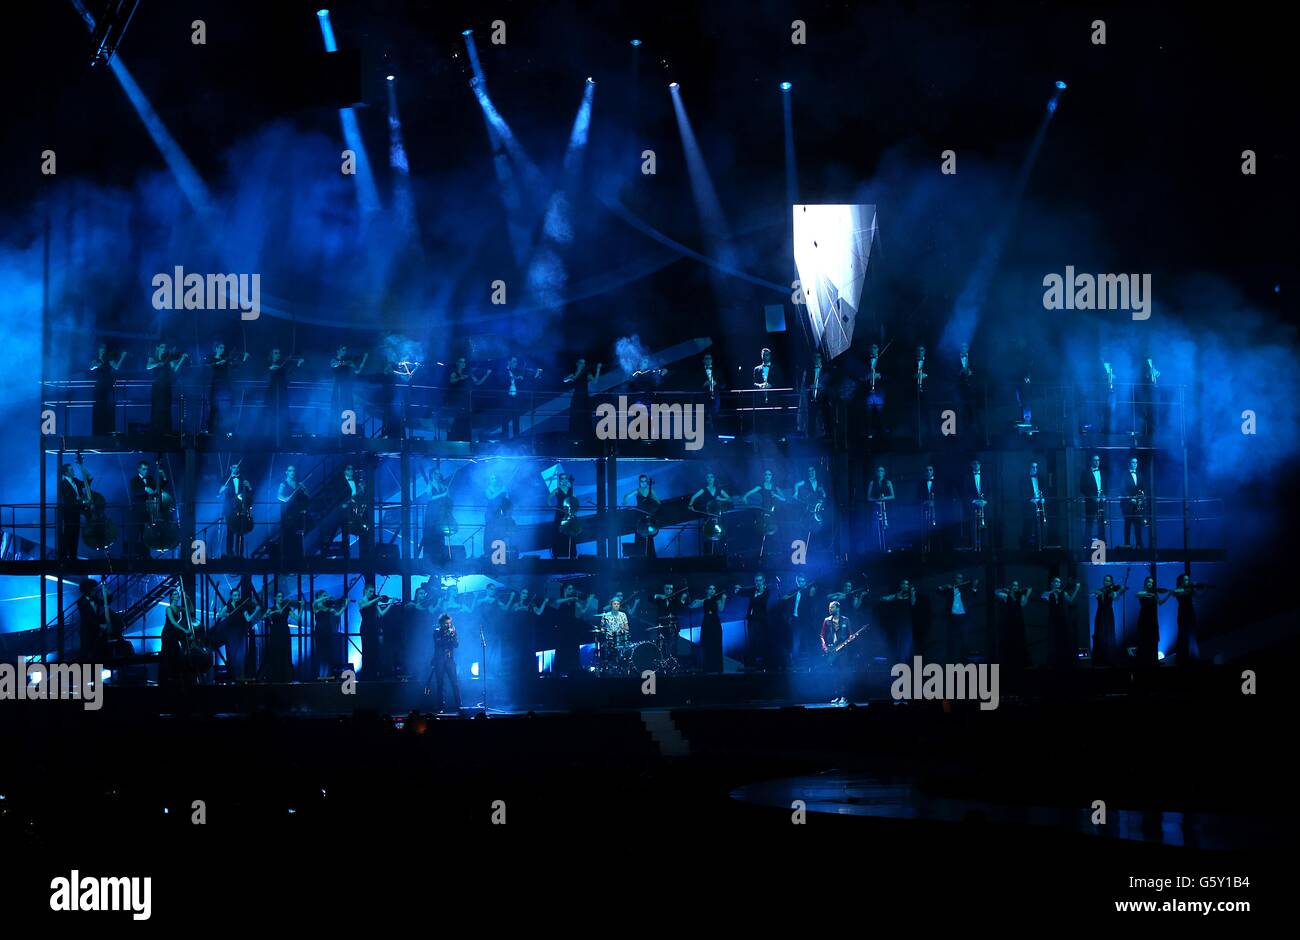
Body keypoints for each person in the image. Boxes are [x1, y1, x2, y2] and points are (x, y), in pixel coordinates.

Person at [206, 341, 248, 437]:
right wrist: (218, 362)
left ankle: (228, 430)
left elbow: (235, 367)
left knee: (227, 407)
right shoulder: (211, 359)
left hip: (225, 387)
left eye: (223, 348)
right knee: (214, 407)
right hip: (215, 386)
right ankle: (211, 430)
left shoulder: (226, 360)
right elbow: (209, 366)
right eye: (220, 347)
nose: (222, 349)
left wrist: (244, 359)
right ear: (215, 348)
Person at [1040, 577, 1081, 668]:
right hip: (1052, 619)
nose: (1058, 584)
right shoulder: (1048, 594)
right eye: (1056, 582)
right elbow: (1042, 596)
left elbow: (1070, 600)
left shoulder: (1063, 592)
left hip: (1062, 619)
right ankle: (1052, 661)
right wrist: (1053, 591)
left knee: (1063, 638)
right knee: (1053, 639)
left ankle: (1063, 660)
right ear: (1053, 583)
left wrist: (1077, 589)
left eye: (1059, 582)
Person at [147, 343, 188, 433]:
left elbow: (175, 369)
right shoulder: (153, 357)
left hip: (166, 386)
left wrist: (182, 359)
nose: (164, 349)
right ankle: (155, 432)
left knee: (166, 408)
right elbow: (148, 366)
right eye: (162, 347)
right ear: (157, 348)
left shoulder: (169, 358)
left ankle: (166, 432)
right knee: (156, 408)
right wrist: (158, 363)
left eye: (165, 347)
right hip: (157, 386)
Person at [425, 612, 460, 713]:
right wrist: (447, 636)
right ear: (441, 623)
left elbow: (456, 645)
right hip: (439, 661)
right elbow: (440, 644)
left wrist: (453, 636)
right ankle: (441, 707)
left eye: (449, 623)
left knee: (455, 683)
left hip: (450, 661)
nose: (448, 625)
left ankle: (459, 705)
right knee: (440, 684)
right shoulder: (436, 632)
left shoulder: (453, 631)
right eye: (446, 623)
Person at [358, 585, 396, 679]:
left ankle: (374, 674)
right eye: (370, 591)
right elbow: (364, 606)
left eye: (372, 592)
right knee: (366, 650)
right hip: (365, 628)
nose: (372, 593)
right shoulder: (361, 600)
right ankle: (366, 675)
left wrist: (390, 604)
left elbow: (381, 614)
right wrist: (376, 599)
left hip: (374, 628)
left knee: (374, 650)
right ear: (365, 591)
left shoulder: (374, 602)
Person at [89, 343, 127, 434]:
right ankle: (98, 431)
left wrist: (123, 357)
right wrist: (96, 365)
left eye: (104, 349)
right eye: (102, 349)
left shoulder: (109, 359)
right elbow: (91, 368)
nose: (103, 350)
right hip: (99, 386)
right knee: (99, 407)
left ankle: (108, 430)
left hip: (108, 385)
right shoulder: (96, 360)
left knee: (108, 406)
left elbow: (116, 367)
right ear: (99, 350)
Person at [689, 585, 728, 673]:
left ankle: (717, 668)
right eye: (710, 589)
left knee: (717, 645)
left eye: (714, 589)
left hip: (715, 623)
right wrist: (693, 602)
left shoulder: (717, 600)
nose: (712, 590)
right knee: (707, 645)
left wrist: (724, 599)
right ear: (707, 590)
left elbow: (721, 609)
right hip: (706, 623)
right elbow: (692, 606)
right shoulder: (704, 601)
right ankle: (708, 667)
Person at [218, 461, 253, 558]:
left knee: (240, 531)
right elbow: (219, 493)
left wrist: (248, 486)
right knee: (230, 531)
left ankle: (239, 553)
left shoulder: (243, 479)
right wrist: (222, 489)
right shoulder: (226, 479)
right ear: (230, 468)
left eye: (237, 467)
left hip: (240, 508)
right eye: (234, 467)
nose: (236, 469)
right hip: (229, 508)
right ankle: (229, 553)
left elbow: (250, 491)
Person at [1134, 576, 1170, 669]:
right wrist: (1150, 593)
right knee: (1143, 640)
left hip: (1153, 620)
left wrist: (1169, 594)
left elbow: (1160, 602)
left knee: (1153, 639)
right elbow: (1137, 594)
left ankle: (1153, 660)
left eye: (1152, 582)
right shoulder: (1142, 592)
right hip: (1144, 620)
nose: (1151, 584)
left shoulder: (1154, 594)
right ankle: (1143, 661)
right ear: (1145, 582)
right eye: (1149, 582)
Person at [820, 601, 852, 705]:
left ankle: (844, 696)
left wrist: (850, 638)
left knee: (843, 673)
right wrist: (824, 647)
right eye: (829, 607)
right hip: (832, 651)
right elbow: (822, 635)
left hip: (843, 651)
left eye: (832, 607)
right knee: (834, 674)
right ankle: (837, 696)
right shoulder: (826, 620)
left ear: (838, 608)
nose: (830, 609)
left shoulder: (846, 620)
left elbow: (850, 634)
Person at [263, 592, 298, 683]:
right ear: (275, 598)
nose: (281, 598)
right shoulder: (271, 608)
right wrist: (274, 612)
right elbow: (264, 617)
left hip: (285, 632)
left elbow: (297, 619)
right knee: (275, 652)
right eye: (279, 597)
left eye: (282, 597)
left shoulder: (287, 608)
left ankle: (286, 676)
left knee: (285, 652)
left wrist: (301, 608)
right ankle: (275, 676)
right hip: (275, 632)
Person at [563, 357, 601, 441]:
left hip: (584, 397)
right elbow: (565, 380)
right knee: (575, 415)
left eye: (584, 363)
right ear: (577, 363)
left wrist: (598, 369)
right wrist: (574, 375)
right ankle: (574, 437)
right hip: (576, 397)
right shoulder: (573, 374)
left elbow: (595, 381)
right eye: (581, 362)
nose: (583, 364)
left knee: (585, 416)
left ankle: (586, 437)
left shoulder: (586, 373)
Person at [1091, 576, 1126, 667]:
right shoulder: (1099, 590)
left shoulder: (1112, 591)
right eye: (1105, 580)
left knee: (1109, 635)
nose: (1107, 582)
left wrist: (1120, 591)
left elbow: (1115, 597)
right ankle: (1099, 659)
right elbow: (1096, 594)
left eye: (1108, 581)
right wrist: (1101, 593)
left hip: (1108, 615)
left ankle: (1109, 659)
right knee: (1099, 635)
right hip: (1100, 615)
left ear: (1111, 582)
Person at [311, 590, 346, 678]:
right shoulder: (316, 606)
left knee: (327, 652)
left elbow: (338, 614)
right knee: (321, 652)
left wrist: (345, 606)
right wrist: (327, 597)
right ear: (319, 596)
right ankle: (320, 675)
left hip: (328, 630)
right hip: (319, 630)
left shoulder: (328, 607)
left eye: (326, 595)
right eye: (324, 595)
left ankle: (327, 674)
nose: (326, 597)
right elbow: (315, 602)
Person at [277, 465, 309, 561]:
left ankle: (298, 559)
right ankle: (287, 559)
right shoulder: (283, 483)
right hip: (287, 513)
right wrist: (285, 498)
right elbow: (278, 495)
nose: (292, 472)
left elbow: (307, 495)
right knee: (288, 536)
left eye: (294, 471)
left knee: (298, 536)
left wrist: (304, 488)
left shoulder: (299, 484)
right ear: (286, 472)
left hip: (298, 512)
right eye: (290, 470)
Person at [1172, 574, 1202, 666]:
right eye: (1185, 580)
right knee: (1183, 636)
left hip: (1190, 613)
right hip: (1182, 614)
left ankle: (1193, 658)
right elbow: (1178, 592)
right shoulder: (1178, 590)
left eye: (1188, 579)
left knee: (1192, 635)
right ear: (1181, 581)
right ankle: (1182, 659)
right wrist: (1191, 587)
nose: (1187, 581)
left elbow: (1198, 597)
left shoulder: (1190, 589)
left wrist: (1200, 589)